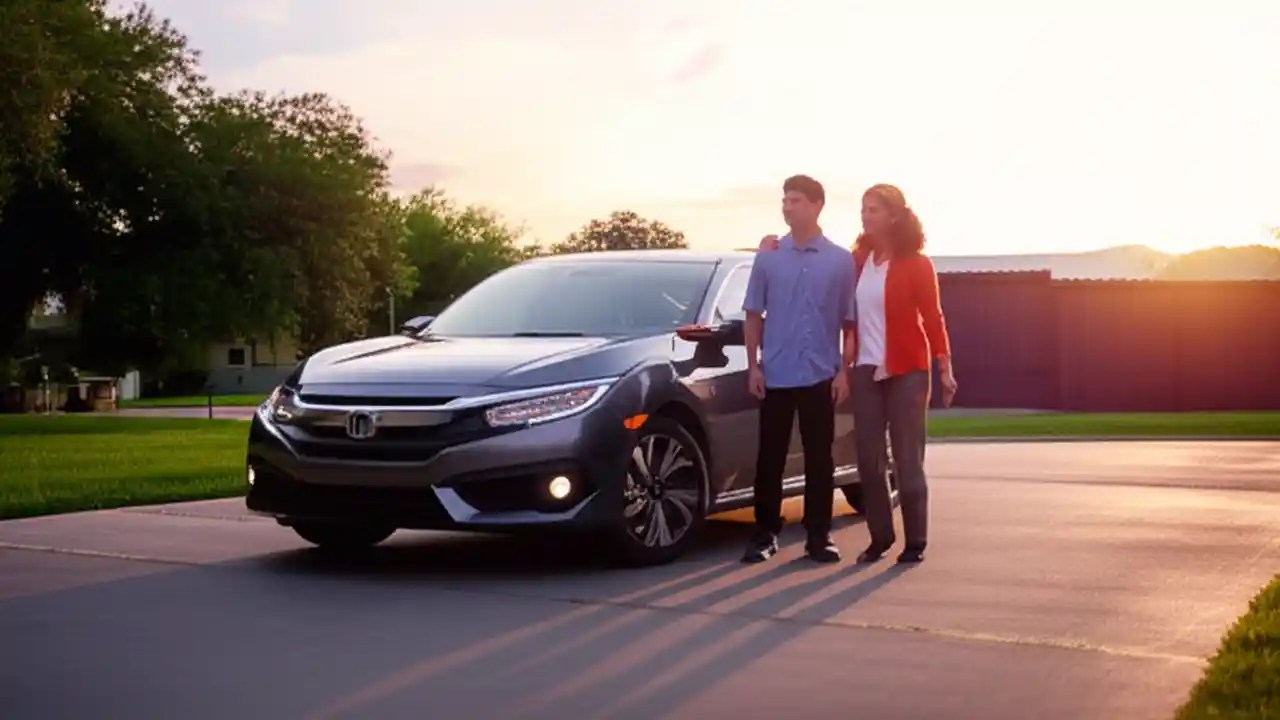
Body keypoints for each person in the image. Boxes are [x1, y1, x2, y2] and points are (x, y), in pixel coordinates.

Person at [759, 183, 956, 565]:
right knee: (868, 459)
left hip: (908, 371)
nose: (865, 216)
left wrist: (945, 367)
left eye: (874, 210)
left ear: (894, 216)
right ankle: (880, 537)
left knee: (906, 457)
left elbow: (933, 319)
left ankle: (915, 541)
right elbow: (820, 277)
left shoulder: (918, 263)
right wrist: (771, 246)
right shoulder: (858, 260)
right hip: (865, 369)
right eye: (863, 209)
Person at [740, 174, 858, 564]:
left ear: (816, 205)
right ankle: (764, 534)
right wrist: (753, 365)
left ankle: (819, 536)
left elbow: (849, 322)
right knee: (769, 457)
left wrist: (843, 370)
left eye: (795, 201)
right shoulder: (769, 256)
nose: (787, 207)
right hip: (775, 373)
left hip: (820, 374)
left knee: (819, 458)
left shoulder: (840, 262)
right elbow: (753, 314)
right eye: (785, 200)